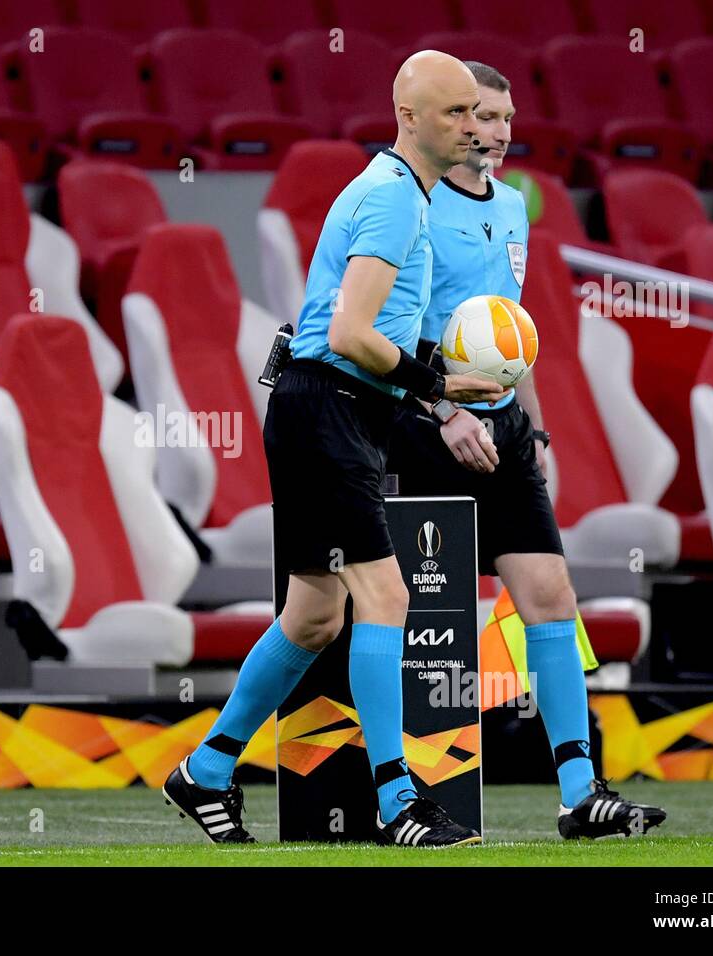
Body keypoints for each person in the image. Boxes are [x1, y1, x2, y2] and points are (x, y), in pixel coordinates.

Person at [163, 51, 506, 847]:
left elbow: (367, 329)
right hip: (329, 408)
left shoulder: (402, 197)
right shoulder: (392, 199)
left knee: (314, 616)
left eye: (473, 112)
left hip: (335, 408)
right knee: (386, 600)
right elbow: (351, 334)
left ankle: (205, 770)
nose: (470, 126)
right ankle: (398, 804)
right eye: (454, 113)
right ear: (409, 116)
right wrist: (439, 386)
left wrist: (436, 376)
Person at [388, 61, 666, 839]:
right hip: (424, 425)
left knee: (549, 596)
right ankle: (400, 789)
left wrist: (534, 430)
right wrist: (444, 409)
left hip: (502, 431)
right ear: (452, 120)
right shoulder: (409, 203)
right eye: (485, 116)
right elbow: (388, 327)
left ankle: (580, 794)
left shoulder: (513, 208)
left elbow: (512, 333)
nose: (501, 132)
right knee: (408, 618)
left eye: (509, 119)